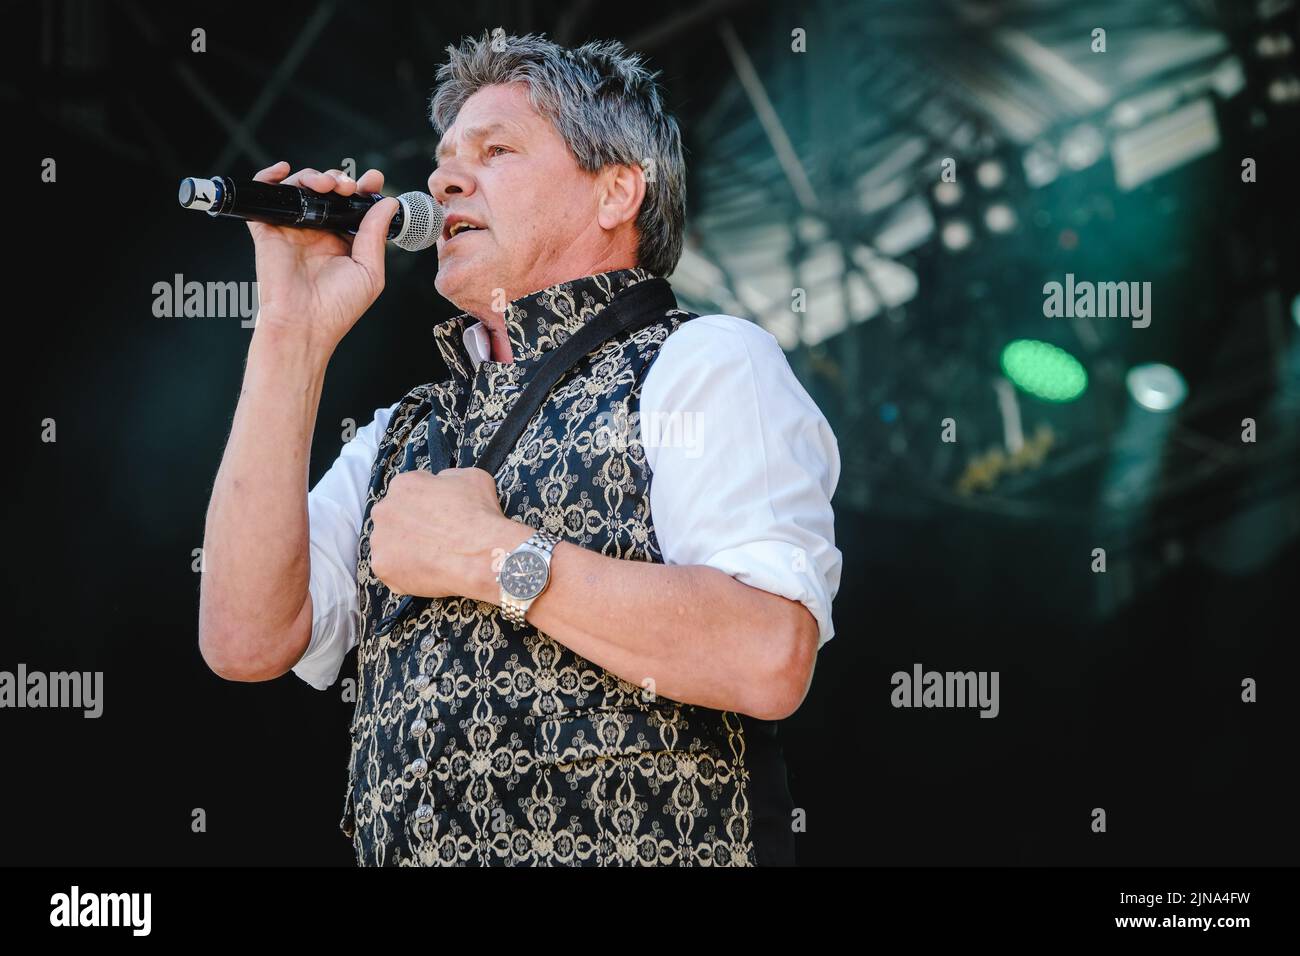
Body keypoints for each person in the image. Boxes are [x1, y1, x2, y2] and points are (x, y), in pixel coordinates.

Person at [199, 31, 842, 867]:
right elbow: (244, 640)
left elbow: (766, 654)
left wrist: (492, 557)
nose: (442, 181)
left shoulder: (706, 359)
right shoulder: (400, 433)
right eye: (443, 161)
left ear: (616, 192)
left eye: (495, 150)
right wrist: (292, 332)